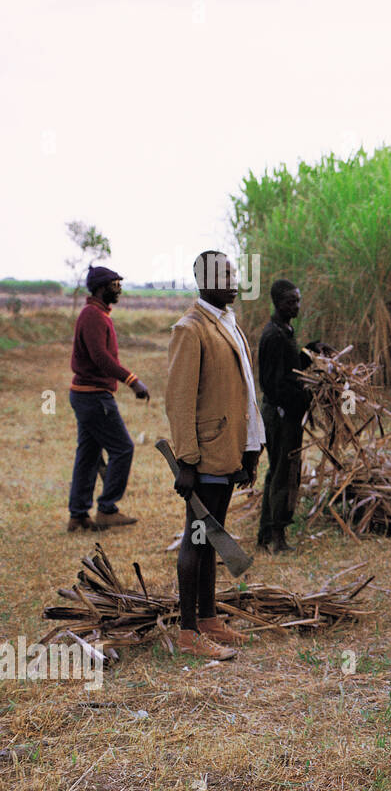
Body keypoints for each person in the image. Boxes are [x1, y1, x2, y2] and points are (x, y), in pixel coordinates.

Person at [164, 251, 265, 660]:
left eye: (234, 273)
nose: (234, 281)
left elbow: (245, 392)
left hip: (228, 450)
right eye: (225, 275)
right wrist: (186, 461)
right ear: (203, 280)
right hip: (203, 455)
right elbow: (179, 401)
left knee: (214, 536)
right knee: (197, 537)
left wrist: (251, 448)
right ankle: (188, 632)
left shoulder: (229, 325)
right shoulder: (190, 329)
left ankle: (208, 619)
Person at [67, 266, 150, 532]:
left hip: (87, 395)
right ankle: (107, 509)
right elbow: (101, 358)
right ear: (102, 287)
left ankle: (78, 516)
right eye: (116, 284)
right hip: (93, 397)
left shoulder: (97, 314)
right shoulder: (93, 315)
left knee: (89, 455)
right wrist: (132, 381)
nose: (120, 288)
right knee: (123, 448)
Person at [257, 278, 329, 553]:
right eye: (290, 302)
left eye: (298, 301)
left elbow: (291, 369)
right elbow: (273, 385)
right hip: (280, 415)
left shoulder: (285, 330)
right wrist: (304, 396)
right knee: (284, 473)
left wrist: (311, 351)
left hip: (285, 413)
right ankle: (277, 537)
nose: (296, 306)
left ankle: (267, 535)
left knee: (278, 471)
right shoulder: (273, 336)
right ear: (277, 302)